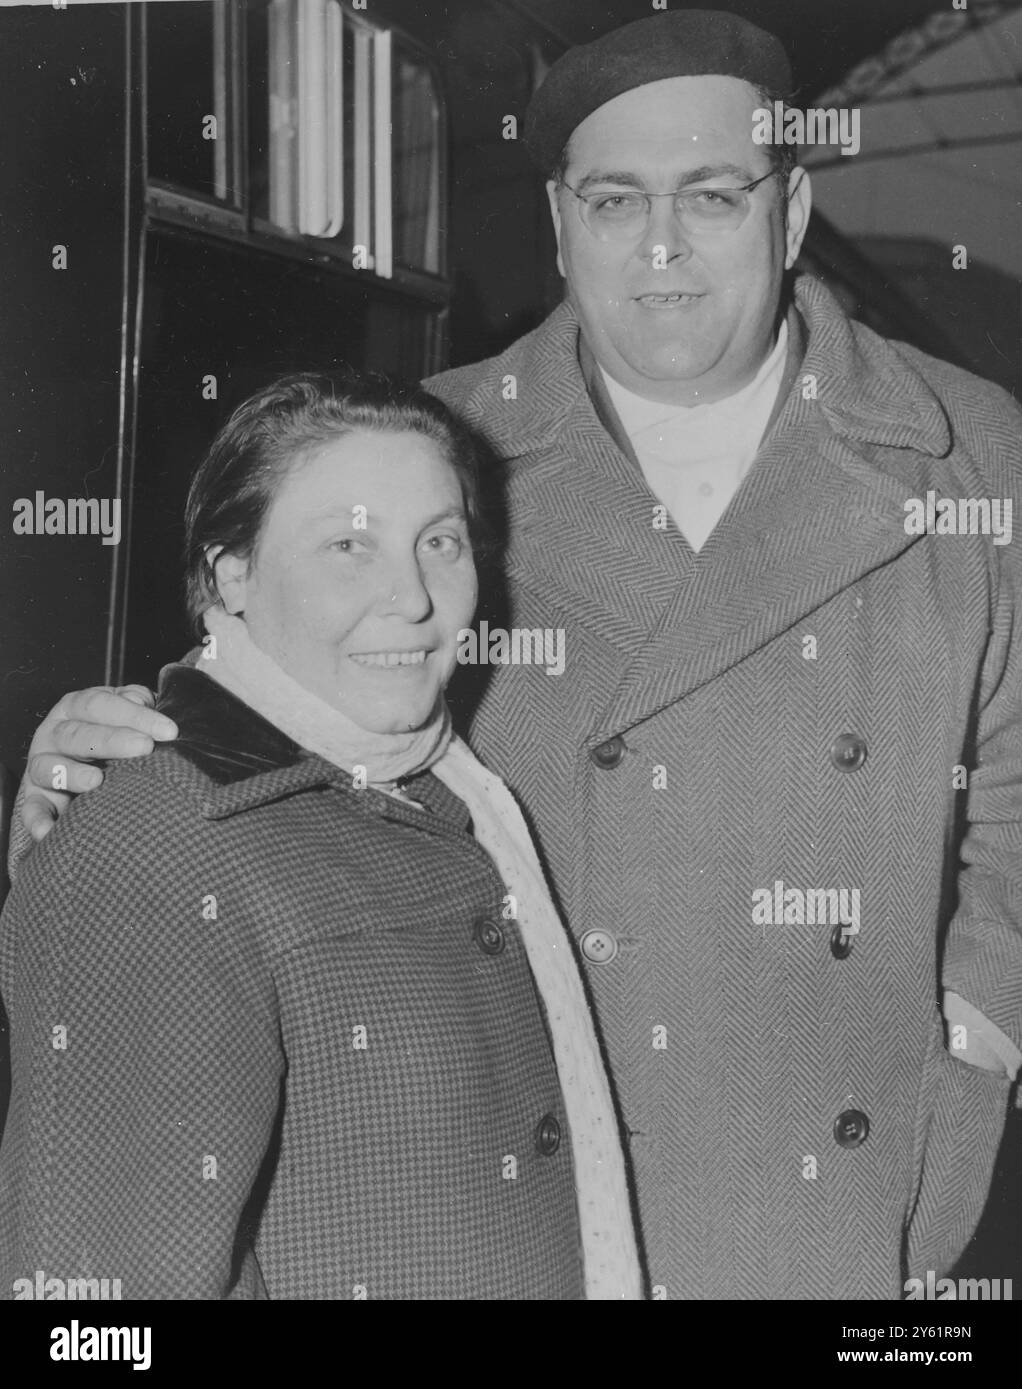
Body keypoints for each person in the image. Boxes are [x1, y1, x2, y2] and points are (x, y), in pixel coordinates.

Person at [9, 10, 1022, 1299]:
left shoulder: (969, 451)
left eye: (711, 194)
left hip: (844, 1181)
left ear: (792, 206)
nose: (659, 246)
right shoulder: (434, 449)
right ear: (557, 224)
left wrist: (975, 1035)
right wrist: (101, 774)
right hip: (514, 1175)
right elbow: (271, 731)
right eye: (613, 200)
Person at [0, 372, 641, 1301]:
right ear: (232, 573)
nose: (413, 598)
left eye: (440, 542)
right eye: (350, 545)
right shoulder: (153, 846)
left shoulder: (449, 788)